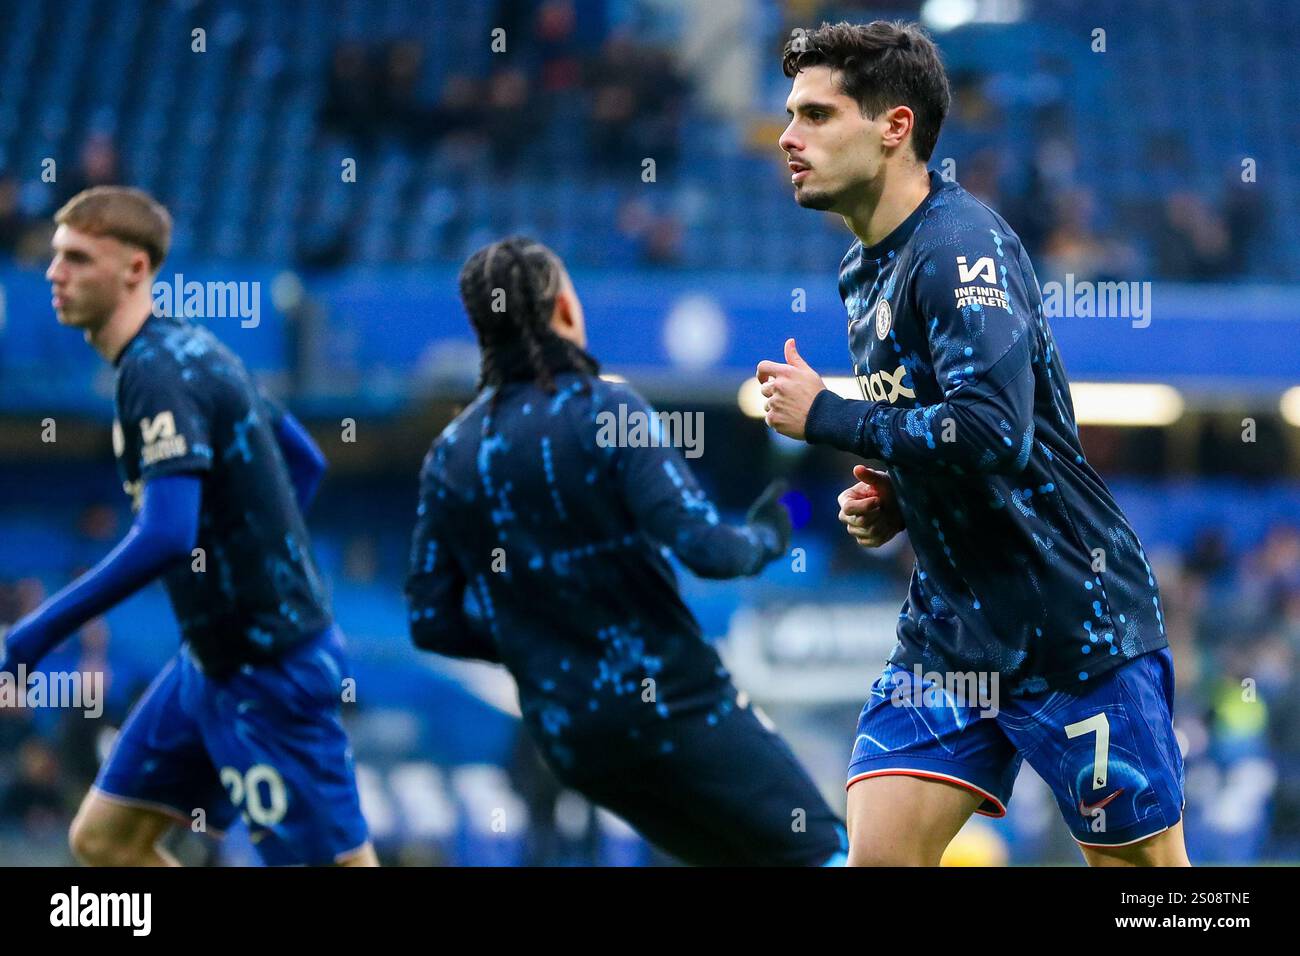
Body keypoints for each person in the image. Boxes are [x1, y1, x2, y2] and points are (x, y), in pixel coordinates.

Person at [759, 20, 1187, 866]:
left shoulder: (959, 249)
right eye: (790, 115)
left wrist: (829, 417)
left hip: (1072, 631)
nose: (787, 136)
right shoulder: (865, 267)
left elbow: (993, 429)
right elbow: (943, 425)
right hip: (952, 634)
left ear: (894, 128)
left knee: (1155, 895)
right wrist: (899, 494)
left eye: (815, 114)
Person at [405, 235, 847, 866]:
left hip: (572, 740)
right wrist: (772, 532)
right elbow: (709, 551)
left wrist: (535, 643)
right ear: (563, 309)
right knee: (825, 850)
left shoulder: (452, 452)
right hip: (673, 706)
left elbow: (431, 619)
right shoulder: (605, 410)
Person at [1, 186, 375, 866]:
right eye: (55, 257)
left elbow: (168, 535)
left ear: (134, 270)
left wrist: (33, 636)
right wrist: (254, 561)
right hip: (211, 662)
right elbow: (303, 461)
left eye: (78, 259)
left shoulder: (154, 374)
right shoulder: (196, 349)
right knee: (105, 840)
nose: (54, 273)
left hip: (271, 673)